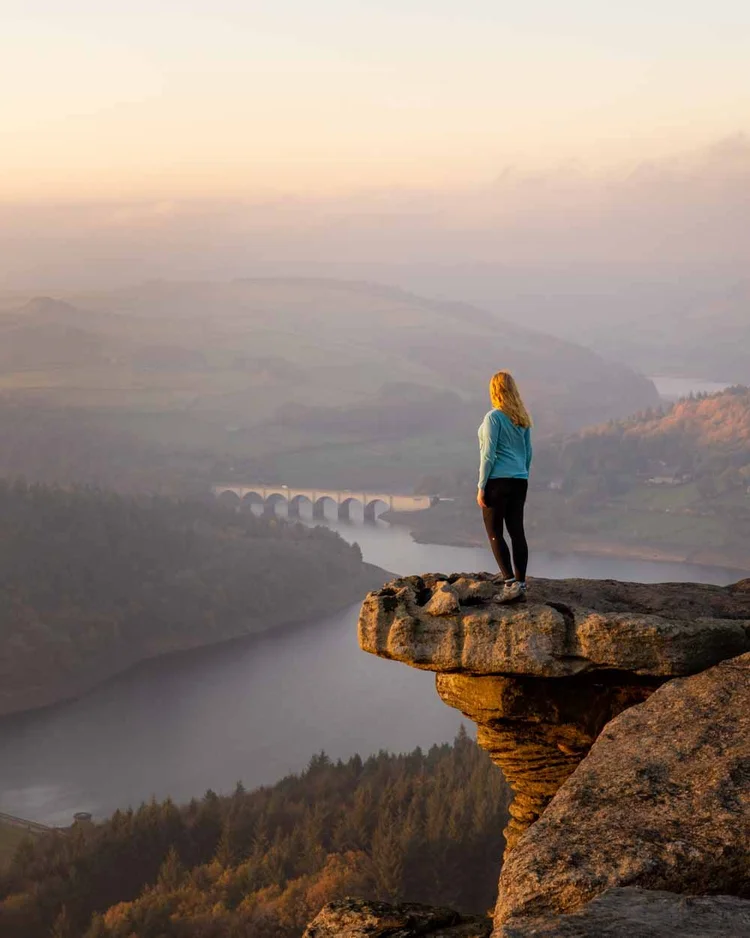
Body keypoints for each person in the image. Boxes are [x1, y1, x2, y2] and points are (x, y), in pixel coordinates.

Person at [476, 371, 533, 603]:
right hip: (520, 481)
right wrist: (522, 475)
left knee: (494, 533)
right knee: (517, 532)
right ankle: (521, 584)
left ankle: (509, 584)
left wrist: (481, 486)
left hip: (497, 482)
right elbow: (529, 454)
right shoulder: (523, 419)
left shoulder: (494, 418)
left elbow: (488, 455)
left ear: (494, 391)